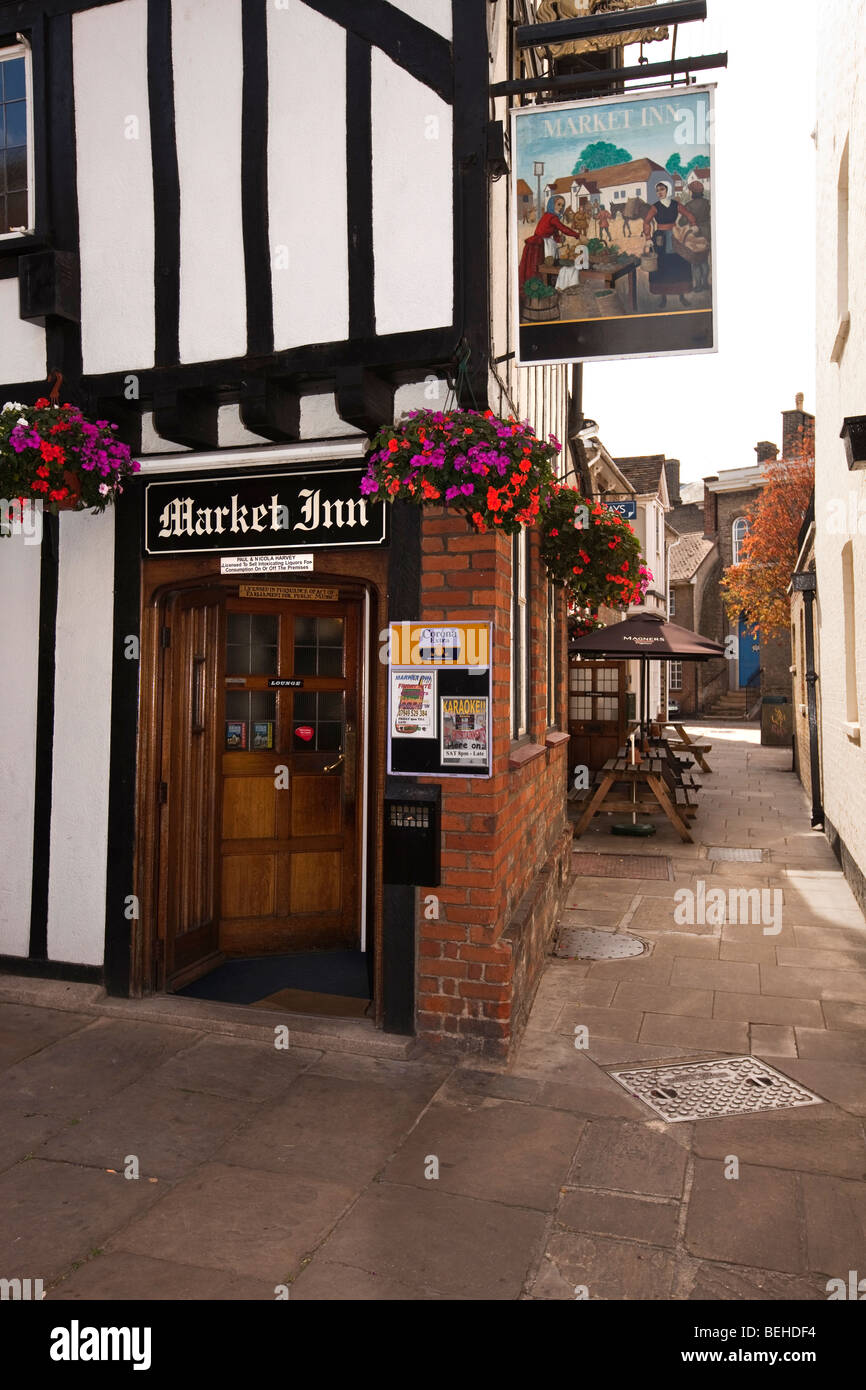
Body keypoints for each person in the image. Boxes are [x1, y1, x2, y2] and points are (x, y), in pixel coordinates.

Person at [642, 179, 698, 308]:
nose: (659, 192)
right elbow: (646, 222)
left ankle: (682, 296)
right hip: (660, 239)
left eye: (662, 189)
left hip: (675, 236)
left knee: (680, 264)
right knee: (662, 267)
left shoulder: (675, 204)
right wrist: (648, 237)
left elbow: (688, 214)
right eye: (657, 190)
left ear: (667, 190)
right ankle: (663, 298)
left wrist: (693, 224)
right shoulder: (655, 206)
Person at [519, 195, 576, 286]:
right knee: (542, 268)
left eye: (562, 205)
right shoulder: (552, 217)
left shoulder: (550, 216)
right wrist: (578, 235)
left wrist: (559, 239)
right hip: (540, 245)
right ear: (552, 204)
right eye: (558, 204)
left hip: (543, 243)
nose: (560, 207)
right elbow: (563, 228)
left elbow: (555, 232)